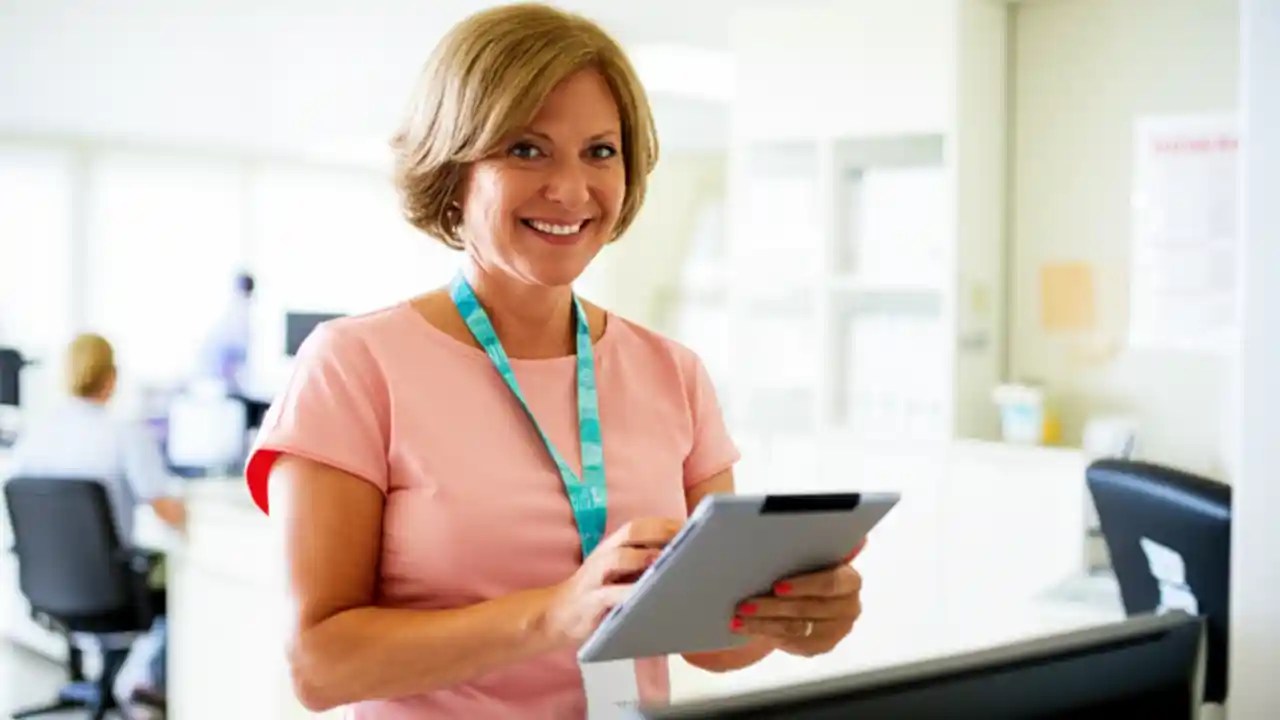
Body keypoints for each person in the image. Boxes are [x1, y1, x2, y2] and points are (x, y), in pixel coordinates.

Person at [245, 5, 865, 718]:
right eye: (527, 149)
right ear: (454, 167)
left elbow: (710, 640)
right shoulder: (355, 366)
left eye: (600, 151)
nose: (571, 190)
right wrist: (555, 615)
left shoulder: (674, 374)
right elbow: (319, 666)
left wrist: (795, 619)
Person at [7, 333, 185, 706]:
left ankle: (117, 680)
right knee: (180, 590)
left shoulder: (34, 436)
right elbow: (170, 514)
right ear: (111, 377)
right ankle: (145, 682)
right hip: (113, 593)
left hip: (46, 587)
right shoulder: (124, 435)